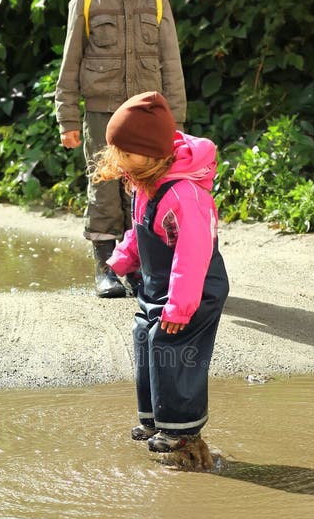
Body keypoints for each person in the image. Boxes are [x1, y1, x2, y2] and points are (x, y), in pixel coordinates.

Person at [55, 0, 186, 298]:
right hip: (102, 113)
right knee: (105, 184)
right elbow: (70, 64)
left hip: (148, 115)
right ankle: (106, 266)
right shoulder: (86, 2)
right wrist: (67, 119)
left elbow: (172, 65)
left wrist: (175, 121)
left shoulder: (157, 2)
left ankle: (139, 266)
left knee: (145, 186)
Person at [93, 91, 229, 468]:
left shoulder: (184, 195)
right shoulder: (144, 182)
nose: (120, 163)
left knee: (172, 347)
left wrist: (181, 305)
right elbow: (140, 229)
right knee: (145, 337)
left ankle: (182, 429)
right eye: (116, 153)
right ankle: (156, 419)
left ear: (153, 154)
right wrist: (121, 259)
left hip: (193, 289)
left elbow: (194, 253)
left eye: (126, 155)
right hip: (159, 286)